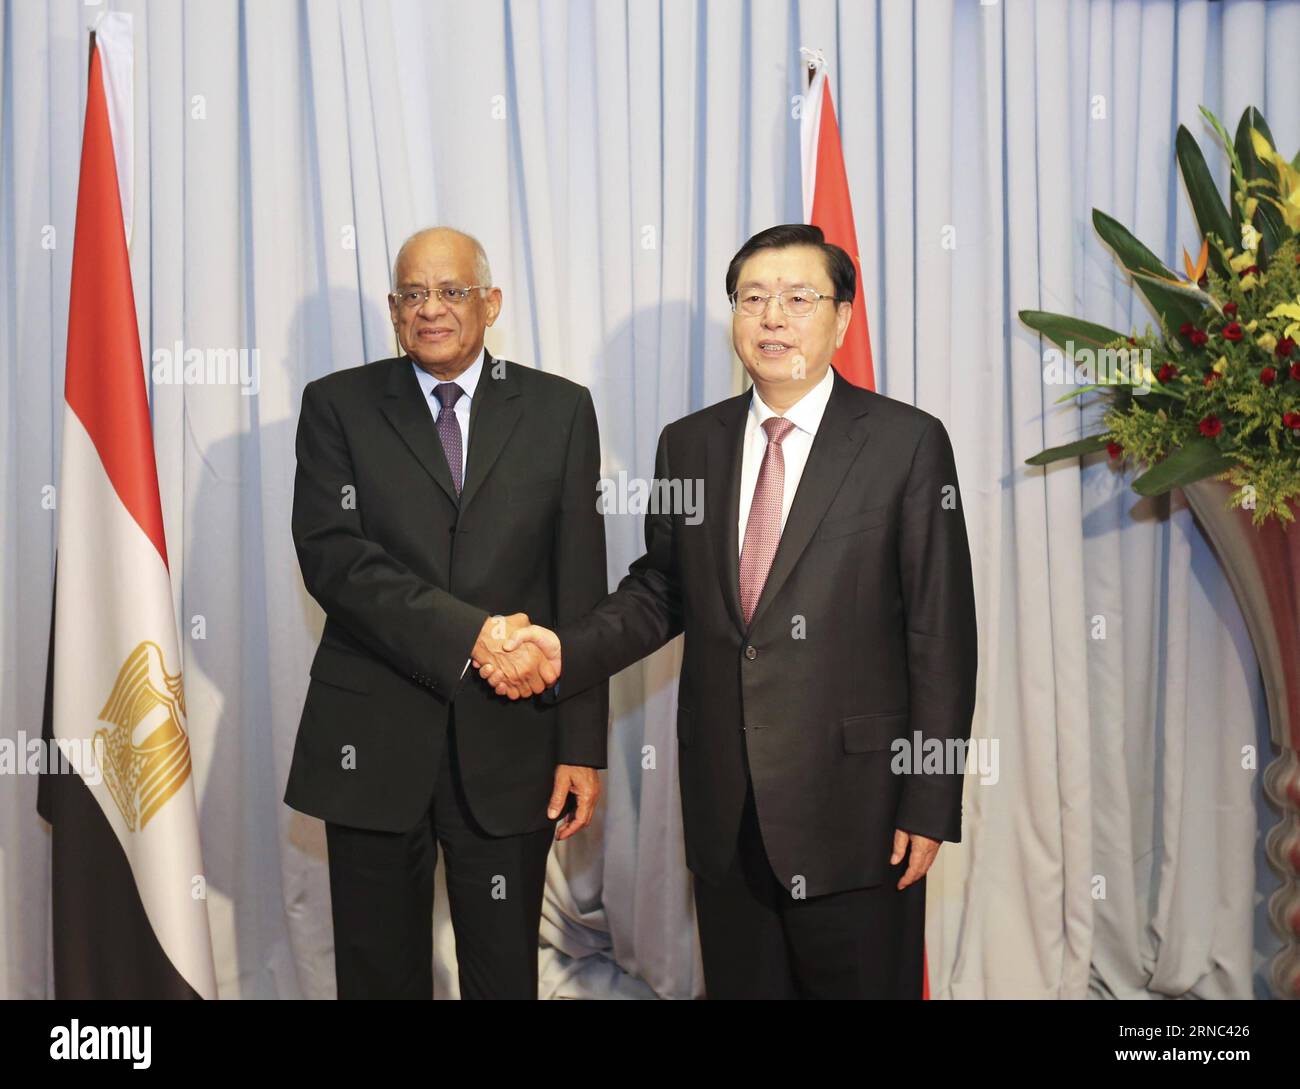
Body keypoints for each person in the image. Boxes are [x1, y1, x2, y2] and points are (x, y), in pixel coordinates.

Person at [484, 223, 978, 999]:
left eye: (797, 298)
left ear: (842, 318)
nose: (773, 317)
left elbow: (941, 635)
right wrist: (562, 649)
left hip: (860, 812)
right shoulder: (691, 445)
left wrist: (931, 793)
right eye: (753, 299)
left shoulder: (905, 444)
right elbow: (662, 591)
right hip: (727, 808)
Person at [285, 227, 608, 999]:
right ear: (395, 312)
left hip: (512, 744)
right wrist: (473, 633)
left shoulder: (560, 411)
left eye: (451, 291)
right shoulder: (338, 405)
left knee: (503, 973)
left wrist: (581, 742)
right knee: (380, 973)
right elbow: (336, 558)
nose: (431, 308)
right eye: (412, 294)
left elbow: (579, 586)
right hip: (372, 745)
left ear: (490, 303)